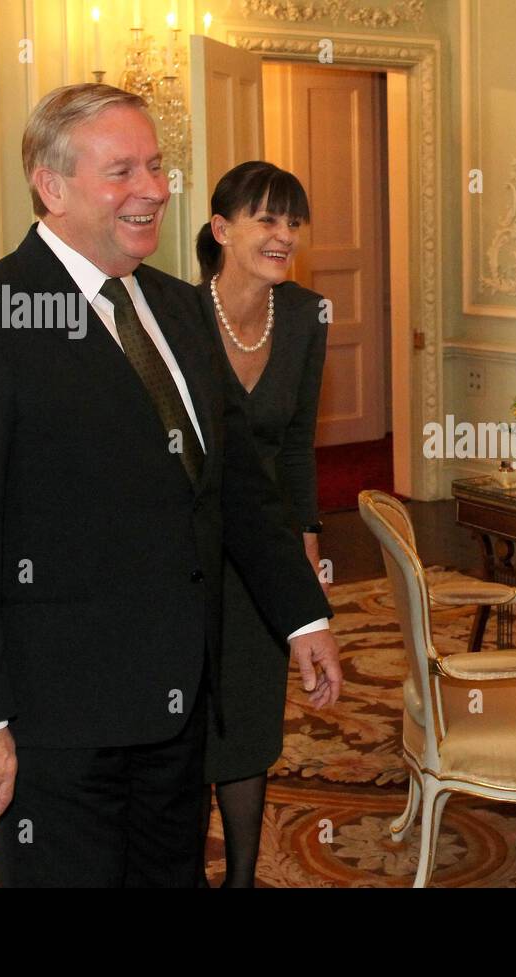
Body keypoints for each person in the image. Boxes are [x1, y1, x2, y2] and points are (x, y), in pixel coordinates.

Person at [0, 84, 343, 887]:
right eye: (122, 171)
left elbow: (236, 483)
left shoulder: (179, 310)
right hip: (57, 722)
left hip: (178, 705)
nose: (153, 190)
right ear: (52, 183)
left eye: (157, 165)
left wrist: (302, 611)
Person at [194, 162, 330, 887]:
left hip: (269, 543)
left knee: (248, 713)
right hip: (191, 545)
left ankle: (242, 878)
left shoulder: (308, 316)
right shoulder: (179, 316)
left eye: (294, 222)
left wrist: (304, 550)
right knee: (185, 711)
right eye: (268, 220)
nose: (285, 237)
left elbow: (300, 440)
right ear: (222, 229)